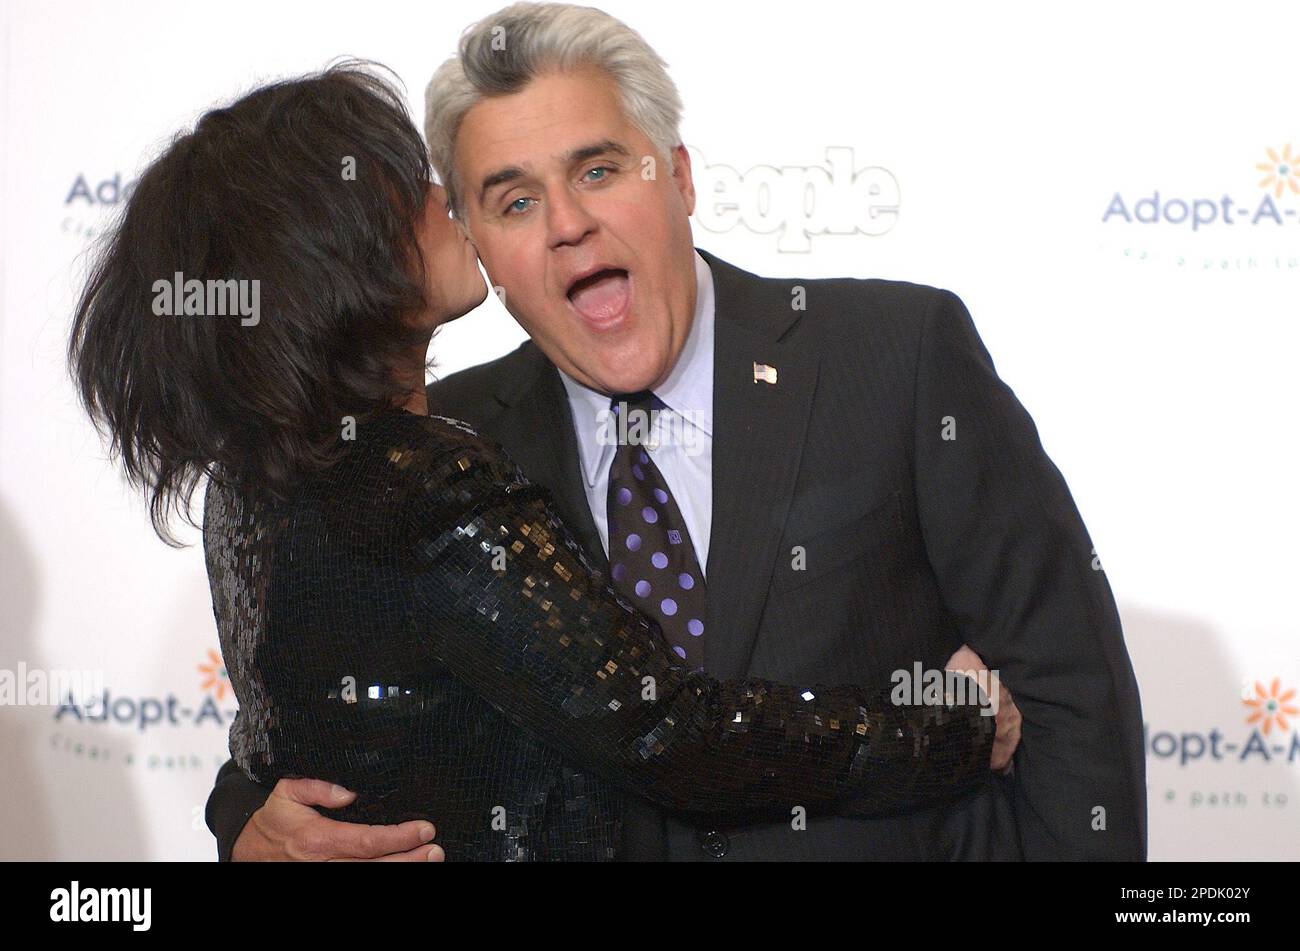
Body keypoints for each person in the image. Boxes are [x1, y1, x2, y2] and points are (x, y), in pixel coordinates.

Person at [208, 2, 1146, 863]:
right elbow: (326, 707)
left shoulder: (896, 357)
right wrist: (246, 820)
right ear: (479, 243)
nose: (569, 224)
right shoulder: (441, 457)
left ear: (681, 177)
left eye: (599, 170)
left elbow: (1071, 691)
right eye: (516, 200)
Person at [68, 62, 1008, 863]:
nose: (444, 199)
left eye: (598, 170)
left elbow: (292, 732)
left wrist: (247, 824)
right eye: (409, 186)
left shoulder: (256, 485)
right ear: (337, 257)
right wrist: (952, 726)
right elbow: (665, 731)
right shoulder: (433, 486)